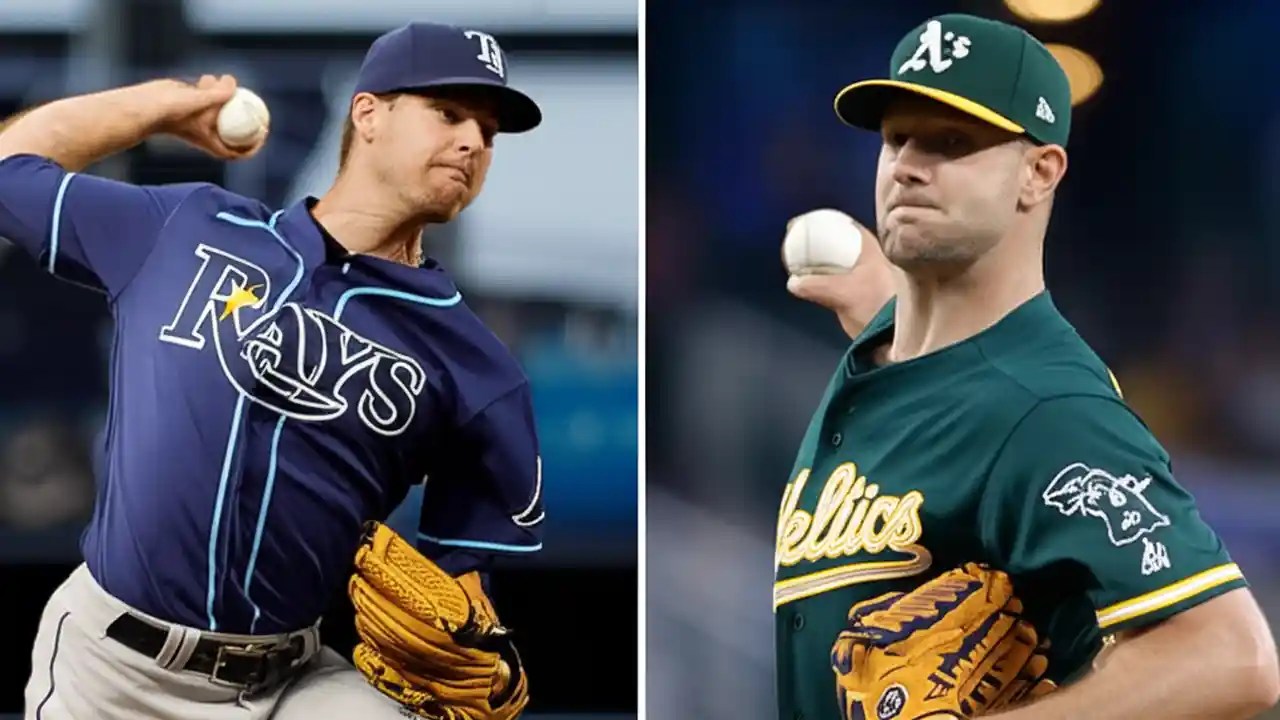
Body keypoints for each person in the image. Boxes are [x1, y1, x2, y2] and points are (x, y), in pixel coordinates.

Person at [1, 20, 545, 720]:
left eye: (489, 131)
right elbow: (10, 169)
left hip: (290, 684)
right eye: (448, 112)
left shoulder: (478, 367)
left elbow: (463, 590)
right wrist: (166, 106)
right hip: (112, 671)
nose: (473, 141)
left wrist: (470, 642)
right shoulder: (186, 226)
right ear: (368, 113)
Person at [775, 12, 1279, 719]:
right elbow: (936, 342)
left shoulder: (1050, 409)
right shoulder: (904, 346)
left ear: (1039, 172)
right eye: (897, 139)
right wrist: (873, 282)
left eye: (952, 142)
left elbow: (1233, 656)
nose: (910, 165)